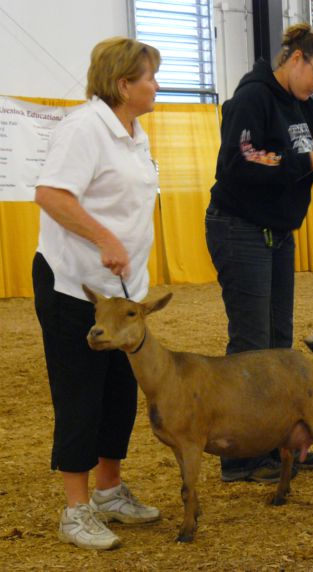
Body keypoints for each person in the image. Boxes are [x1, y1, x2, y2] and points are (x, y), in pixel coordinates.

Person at [205, 23, 313, 483]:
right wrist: (303, 163)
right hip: (239, 227)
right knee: (252, 345)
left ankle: (272, 447)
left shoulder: (306, 108)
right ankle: (239, 458)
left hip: (277, 232)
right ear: (296, 60)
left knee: (277, 343)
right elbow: (239, 162)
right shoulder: (251, 98)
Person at [32, 37, 162, 550]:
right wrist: (104, 238)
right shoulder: (85, 128)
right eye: (149, 76)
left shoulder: (134, 133)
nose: (156, 84)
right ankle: (75, 509)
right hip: (73, 288)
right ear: (123, 83)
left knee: (117, 395)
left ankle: (110, 491)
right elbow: (50, 194)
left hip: (120, 293)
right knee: (80, 394)